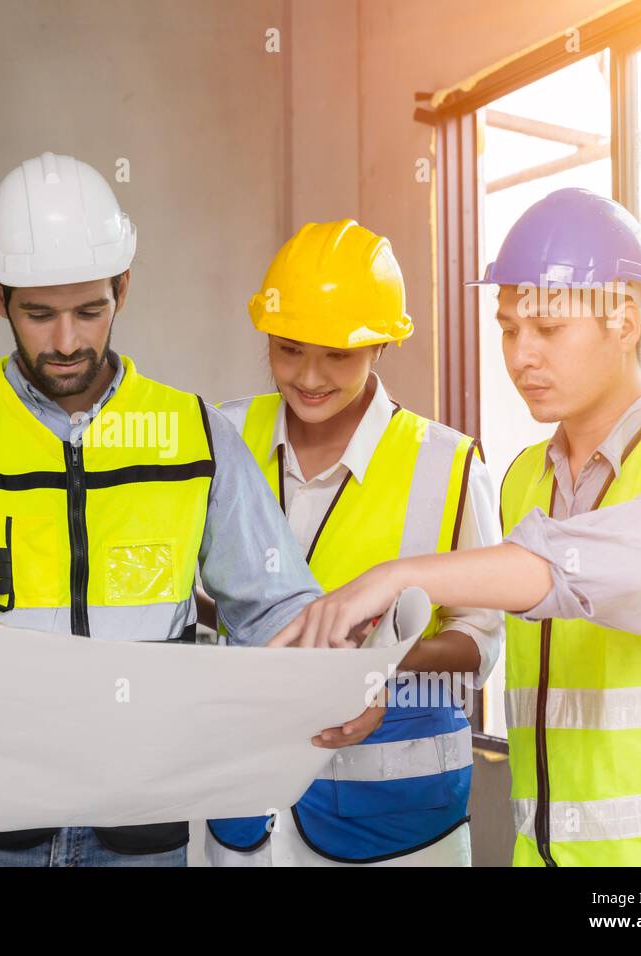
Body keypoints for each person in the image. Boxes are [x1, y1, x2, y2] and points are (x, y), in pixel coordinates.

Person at [0, 152, 384, 867]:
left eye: (90, 311)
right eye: (39, 313)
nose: (66, 341)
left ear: (123, 287)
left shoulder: (195, 436)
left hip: (141, 830)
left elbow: (276, 605)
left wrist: (340, 682)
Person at [274, 189, 641, 867]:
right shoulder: (522, 482)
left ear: (624, 319)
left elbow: (588, 569)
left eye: (548, 329)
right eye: (509, 328)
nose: (520, 357)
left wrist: (395, 575)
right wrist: (369, 668)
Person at [203, 220, 502, 866]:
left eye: (337, 354)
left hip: (399, 828)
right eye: (288, 349)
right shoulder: (226, 435)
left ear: (383, 347)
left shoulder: (447, 464)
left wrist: (377, 661)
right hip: (248, 813)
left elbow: (482, 645)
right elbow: (195, 595)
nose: (308, 376)